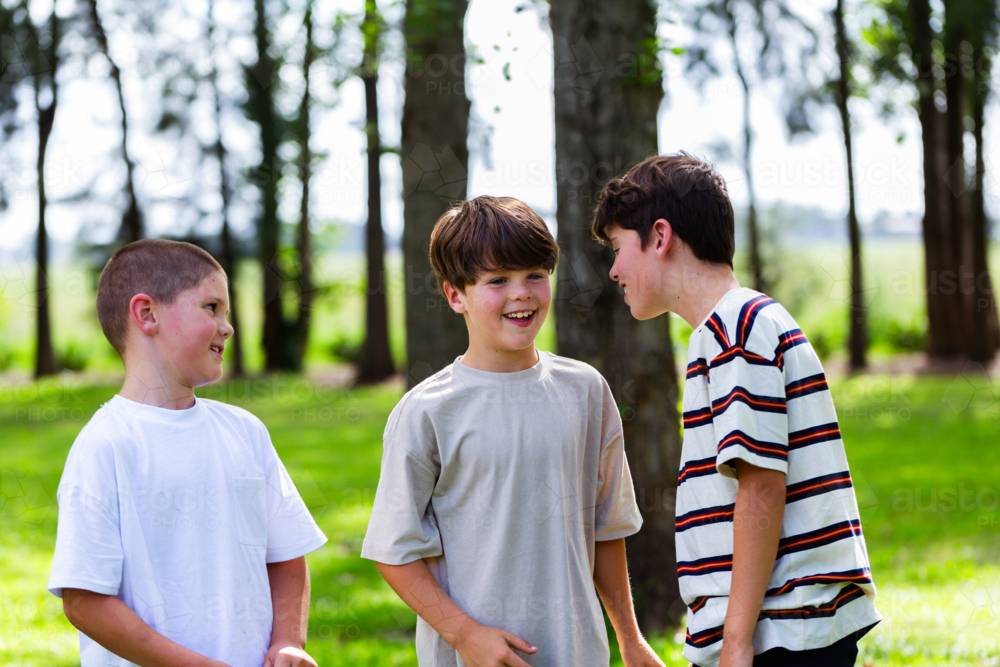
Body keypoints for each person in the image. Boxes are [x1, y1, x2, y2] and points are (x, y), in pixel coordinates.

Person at [592, 154, 882, 667]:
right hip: (781, 625)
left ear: (659, 237)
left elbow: (760, 487)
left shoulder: (736, 330)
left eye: (617, 248)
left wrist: (736, 640)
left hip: (779, 629)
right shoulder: (733, 327)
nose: (614, 270)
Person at [361, 196, 664, 667]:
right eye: (498, 280)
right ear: (455, 295)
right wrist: (465, 635)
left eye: (535, 276)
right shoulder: (426, 411)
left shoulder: (586, 391)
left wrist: (629, 637)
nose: (521, 293)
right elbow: (394, 550)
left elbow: (607, 528)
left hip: (577, 653)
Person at [48, 239, 327, 667]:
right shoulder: (105, 447)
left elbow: (286, 555)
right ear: (147, 314)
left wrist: (287, 641)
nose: (228, 326)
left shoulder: (245, 432)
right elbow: (84, 601)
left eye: (227, 313)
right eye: (212, 307)